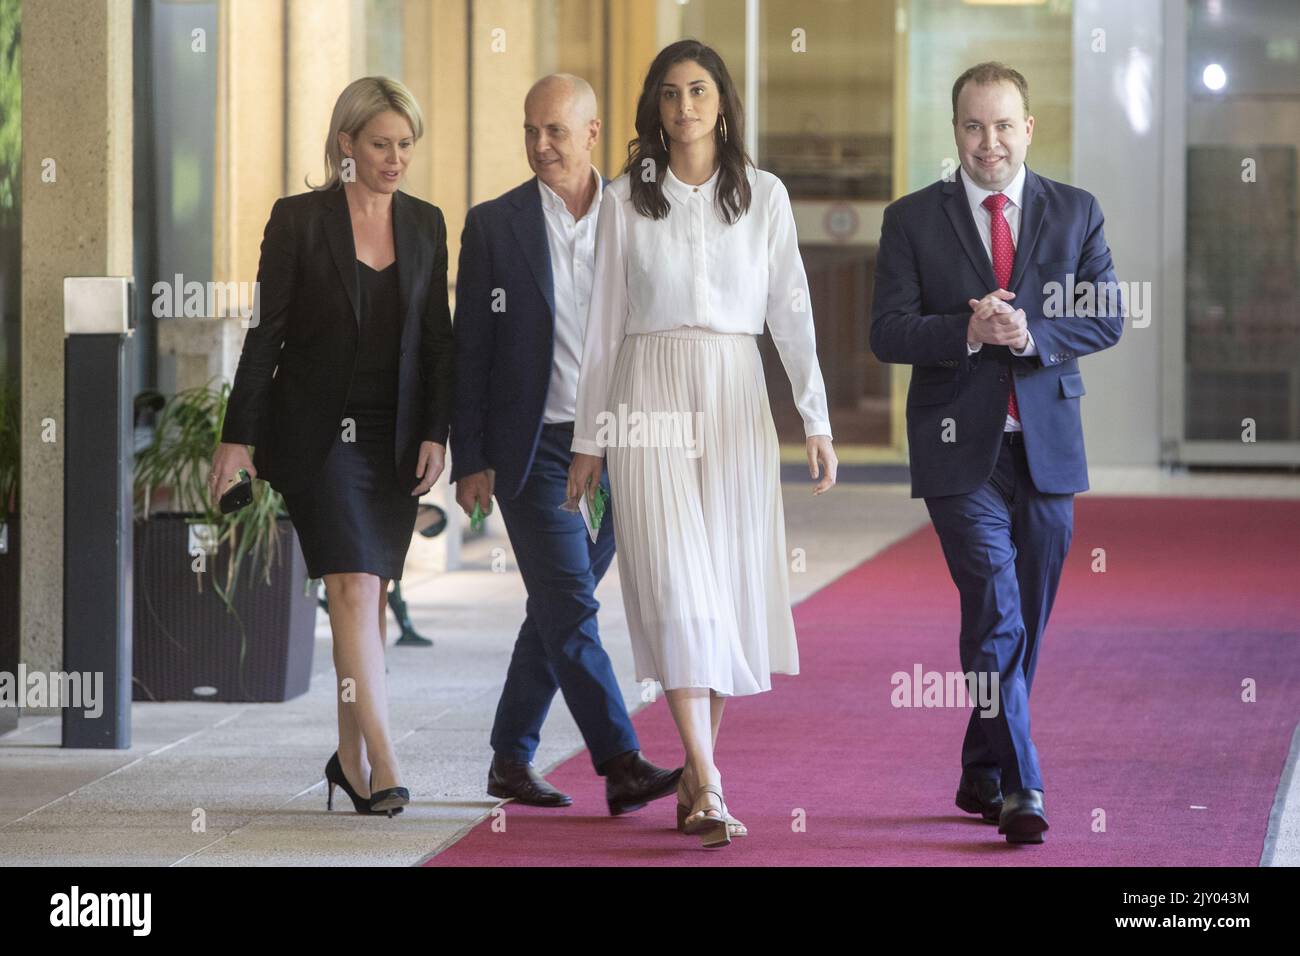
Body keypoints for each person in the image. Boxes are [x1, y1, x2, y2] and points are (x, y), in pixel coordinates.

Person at [567, 40, 837, 848]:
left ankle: (694, 774)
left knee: (723, 591)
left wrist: (815, 417)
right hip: (647, 389)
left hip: (733, 392)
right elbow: (603, 328)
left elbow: (792, 310)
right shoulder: (624, 199)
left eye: (698, 91)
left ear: (722, 102)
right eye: (670, 94)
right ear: (655, 107)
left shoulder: (765, 195)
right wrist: (590, 439)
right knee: (678, 585)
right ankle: (712, 783)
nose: (684, 106)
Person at [869, 62, 1123, 844]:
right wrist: (966, 330)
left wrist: (1035, 335)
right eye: (975, 126)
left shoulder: (1075, 212)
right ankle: (1022, 784)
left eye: (1004, 125)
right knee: (995, 606)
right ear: (955, 132)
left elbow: (1107, 313)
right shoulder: (912, 219)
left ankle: (981, 764)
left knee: (1024, 623)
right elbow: (886, 332)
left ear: (1029, 128)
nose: (990, 142)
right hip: (958, 451)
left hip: (1047, 448)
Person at [210, 76, 454, 817]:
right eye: (381, 144)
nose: (395, 159)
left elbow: (438, 342)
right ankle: (386, 759)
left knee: (369, 597)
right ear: (346, 144)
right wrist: (237, 439)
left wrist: (437, 431)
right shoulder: (299, 221)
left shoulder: (426, 222)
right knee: (351, 585)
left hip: (395, 437)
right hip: (322, 437)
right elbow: (266, 336)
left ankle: (347, 761)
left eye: (406, 145)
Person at [450, 74, 681, 816]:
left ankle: (509, 758)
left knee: (553, 607)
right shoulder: (494, 225)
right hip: (535, 449)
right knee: (572, 605)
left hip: (620, 447)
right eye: (530, 131)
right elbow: (470, 349)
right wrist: (472, 456)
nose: (540, 145)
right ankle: (620, 761)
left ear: (591, 133)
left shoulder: (641, 215)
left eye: (555, 131)